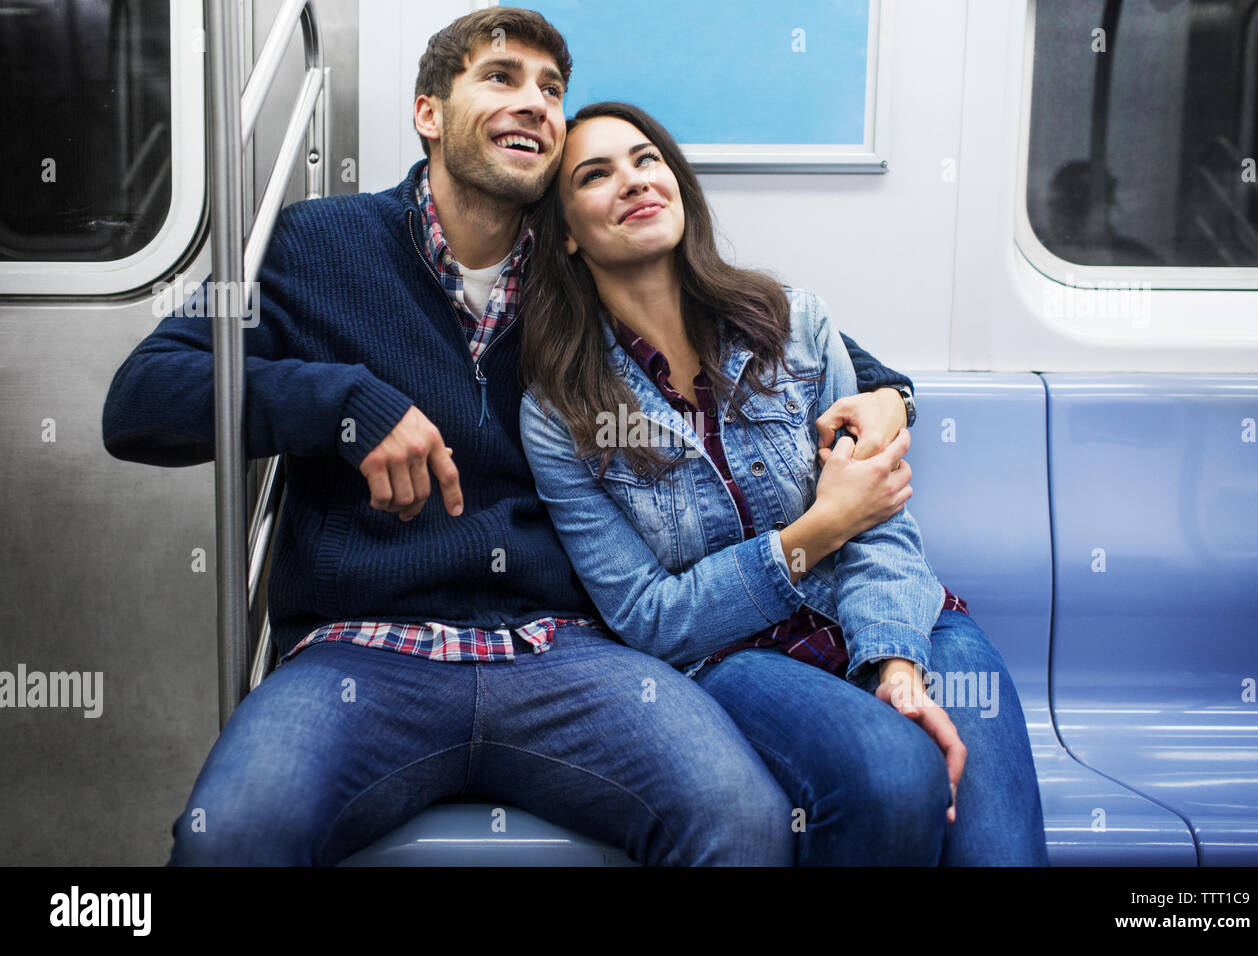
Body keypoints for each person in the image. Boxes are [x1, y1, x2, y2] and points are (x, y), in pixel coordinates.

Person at [100, 7, 911, 866]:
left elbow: (811, 350)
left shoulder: (585, 260)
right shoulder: (320, 245)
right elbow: (142, 401)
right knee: (228, 837)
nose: (534, 101)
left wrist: (893, 392)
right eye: (501, 77)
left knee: (742, 822)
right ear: (428, 114)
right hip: (364, 654)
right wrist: (341, 400)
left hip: (565, 652)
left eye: (551, 89)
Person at [518, 101, 1051, 865]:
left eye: (645, 159)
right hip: (738, 660)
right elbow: (649, 617)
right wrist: (813, 534)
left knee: (996, 852)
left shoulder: (793, 325)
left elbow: (881, 518)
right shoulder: (561, 410)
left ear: (676, 183)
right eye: (595, 175)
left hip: (897, 611)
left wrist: (895, 660)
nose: (632, 181)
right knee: (893, 774)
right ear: (567, 232)